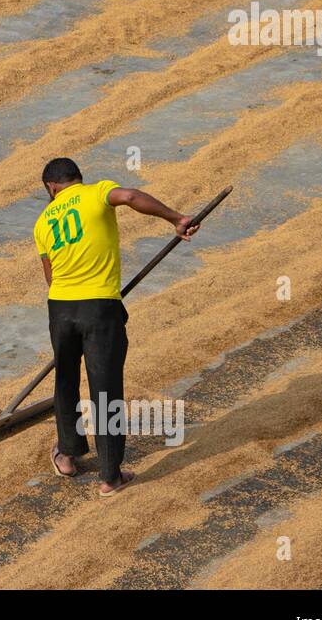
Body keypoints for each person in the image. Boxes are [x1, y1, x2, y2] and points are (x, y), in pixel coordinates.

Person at [34, 157, 200, 495]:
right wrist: (176, 218)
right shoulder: (97, 193)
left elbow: (50, 277)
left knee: (65, 379)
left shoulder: (42, 222)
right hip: (100, 308)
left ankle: (67, 454)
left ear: (52, 188)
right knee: (105, 387)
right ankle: (110, 477)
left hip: (61, 309)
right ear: (77, 178)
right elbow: (132, 197)